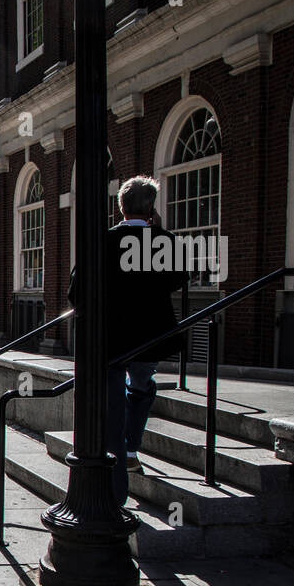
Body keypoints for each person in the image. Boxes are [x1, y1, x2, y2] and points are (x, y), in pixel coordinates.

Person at [68, 175, 187, 507]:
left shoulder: (102, 241)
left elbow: (75, 293)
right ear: (150, 208)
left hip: (111, 340)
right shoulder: (164, 241)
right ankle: (132, 447)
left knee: (113, 406)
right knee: (142, 387)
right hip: (152, 335)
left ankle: (117, 490)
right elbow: (178, 280)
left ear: (121, 208)